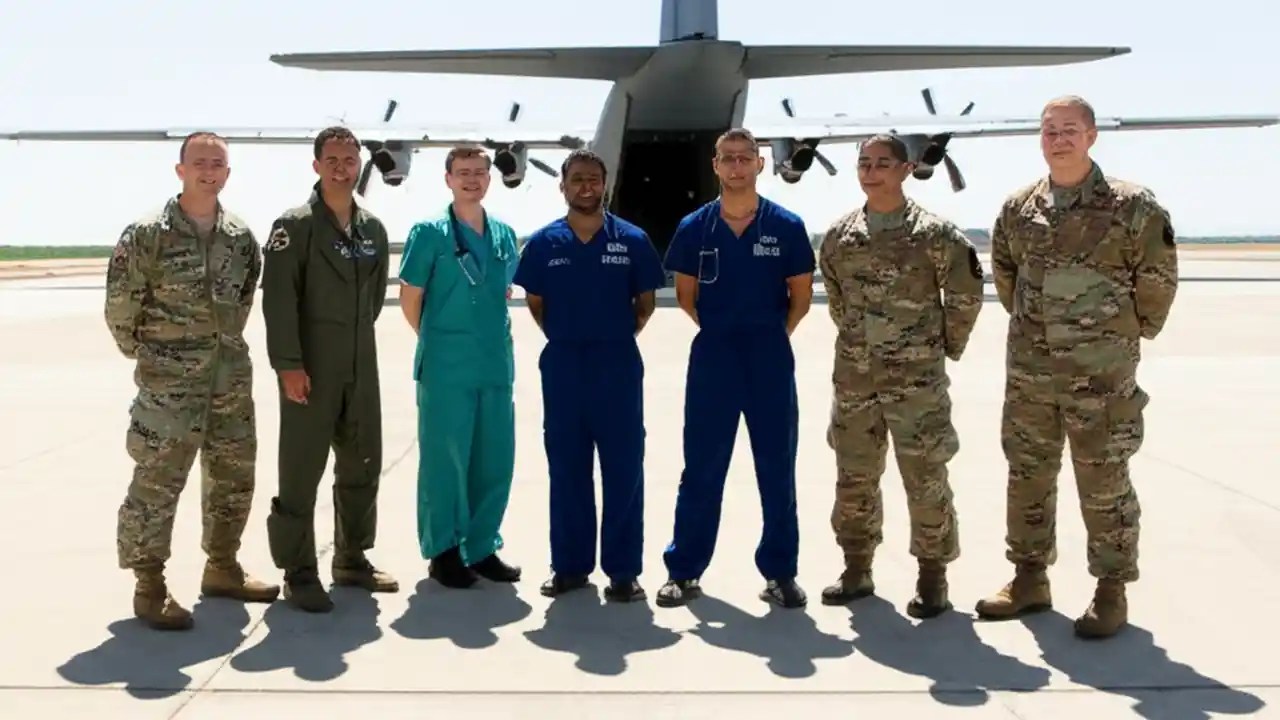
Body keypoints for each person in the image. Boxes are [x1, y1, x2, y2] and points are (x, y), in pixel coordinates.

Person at [976, 95, 1179, 639]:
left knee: (1104, 481)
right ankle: (1028, 578)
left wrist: (1121, 335)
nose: (1057, 139)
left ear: (1091, 136)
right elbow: (1006, 276)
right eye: (1048, 130)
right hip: (1032, 373)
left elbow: (1157, 281)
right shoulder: (1019, 208)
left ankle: (1111, 590)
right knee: (1027, 475)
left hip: (1102, 374)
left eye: (1068, 130)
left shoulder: (1132, 206)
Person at [105, 131, 279, 630]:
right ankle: (149, 584)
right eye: (199, 162)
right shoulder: (147, 234)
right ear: (180, 169)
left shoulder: (240, 237)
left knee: (232, 476)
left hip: (228, 378)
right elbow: (121, 308)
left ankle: (222, 567)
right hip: (168, 383)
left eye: (218, 163)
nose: (209, 170)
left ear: (228, 173)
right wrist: (152, 357)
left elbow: (244, 299)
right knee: (157, 480)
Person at [817, 134, 985, 618]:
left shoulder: (935, 235)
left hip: (917, 384)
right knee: (853, 477)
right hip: (855, 381)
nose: (871, 172)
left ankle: (933, 577)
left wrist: (940, 347)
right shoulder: (840, 237)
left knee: (926, 477)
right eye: (864, 163)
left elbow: (965, 295)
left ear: (906, 170)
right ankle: (856, 567)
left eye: (882, 163)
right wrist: (861, 344)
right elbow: (839, 298)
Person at [655, 128, 816, 609]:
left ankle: (780, 572)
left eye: (747, 158)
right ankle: (683, 571)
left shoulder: (786, 226)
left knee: (776, 468)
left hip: (768, 358)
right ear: (716, 165)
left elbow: (801, 298)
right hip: (714, 360)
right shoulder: (694, 227)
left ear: (761, 165)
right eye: (729, 158)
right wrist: (724, 331)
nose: (738, 166)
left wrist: (768, 335)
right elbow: (686, 297)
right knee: (702, 469)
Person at [512, 149, 667, 602]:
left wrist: (611, 336)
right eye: (577, 179)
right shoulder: (543, 244)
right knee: (567, 468)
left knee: (623, 469)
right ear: (562, 186)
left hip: (617, 366)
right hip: (563, 367)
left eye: (593, 179)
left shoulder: (634, 240)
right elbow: (537, 305)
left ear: (605, 185)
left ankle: (623, 572)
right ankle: (570, 567)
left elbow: (645, 304)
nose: (585, 186)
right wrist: (569, 336)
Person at [260, 126, 399, 613]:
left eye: (350, 158)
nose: (343, 167)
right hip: (310, 368)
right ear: (316, 165)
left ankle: (351, 557)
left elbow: (378, 295)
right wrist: (289, 366)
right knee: (301, 470)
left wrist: (352, 346)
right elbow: (278, 301)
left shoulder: (373, 229)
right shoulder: (294, 227)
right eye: (333, 159)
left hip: (361, 366)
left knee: (362, 461)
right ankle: (298, 570)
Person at [397, 145, 522, 588]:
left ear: (490, 179)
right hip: (446, 367)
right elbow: (410, 300)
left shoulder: (505, 235)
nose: (472, 179)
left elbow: (502, 293)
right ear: (448, 179)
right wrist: (439, 341)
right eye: (463, 172)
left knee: (494, 457)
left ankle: (482, 546)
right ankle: (444, 550)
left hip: (493, 364)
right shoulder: (428, 233)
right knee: (444, 460)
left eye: (480, 172)